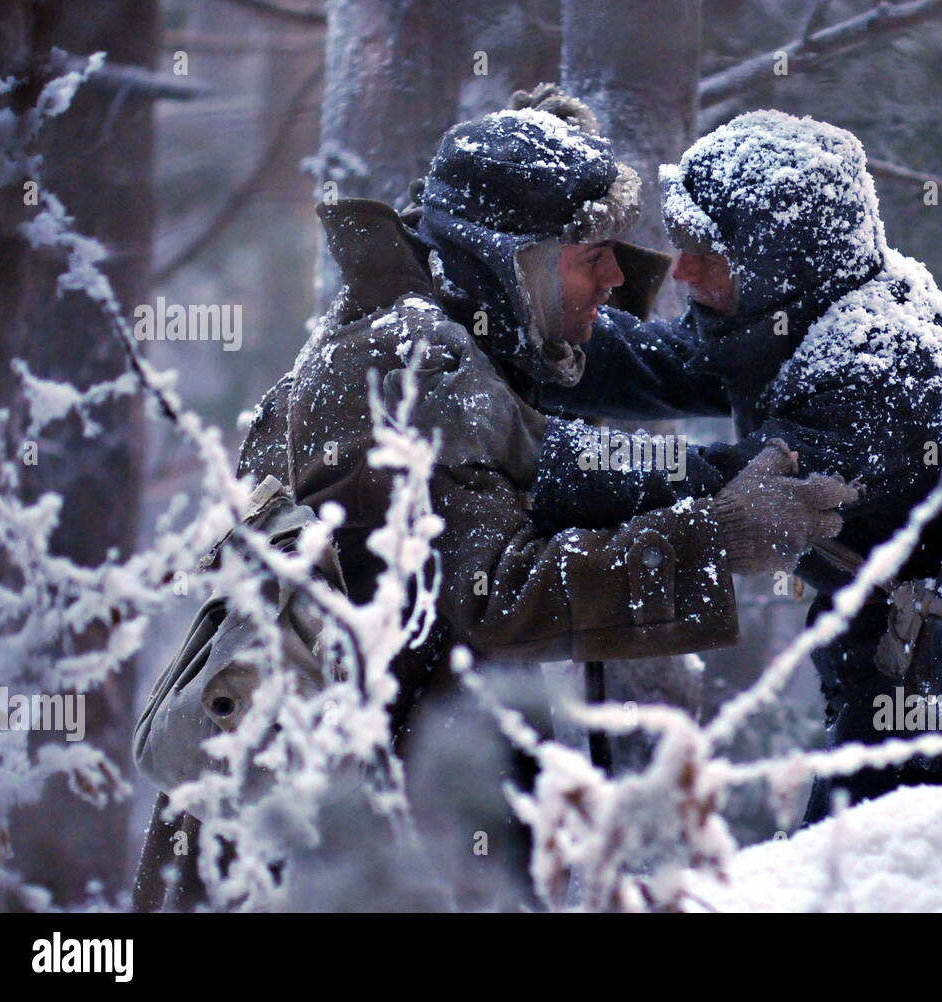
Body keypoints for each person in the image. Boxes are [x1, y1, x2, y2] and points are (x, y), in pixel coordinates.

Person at [132, 92, 854, 909]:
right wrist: (714, 541)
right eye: (590, 255)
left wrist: (526, 169)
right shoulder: (410, 370)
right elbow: (494, 598)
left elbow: (588, 415)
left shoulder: (450, 307)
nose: (617, 280)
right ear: (514, 262)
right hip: (333, 846)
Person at [514, 109, 942, 820]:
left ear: (781, 259)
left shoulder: (883, 373)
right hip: (894, 660)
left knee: (861, 878)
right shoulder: (806, 309)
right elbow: (666, 361)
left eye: (712, 251)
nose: (684, 270)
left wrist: (524, 454)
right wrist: (526, 305)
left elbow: (709, 484)